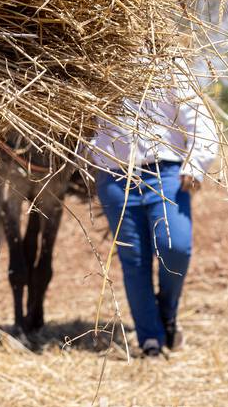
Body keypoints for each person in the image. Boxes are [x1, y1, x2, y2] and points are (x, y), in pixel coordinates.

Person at [87, 67, 218, 356]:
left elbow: (197, 115)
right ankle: (151, 339)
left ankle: (167, 312)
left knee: (176, 247)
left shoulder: (168, 62)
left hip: (165, 171)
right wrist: (89, 156)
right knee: (133, 259)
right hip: (114, 175)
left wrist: (197, 163)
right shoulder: (91, 60)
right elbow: (79, 120)